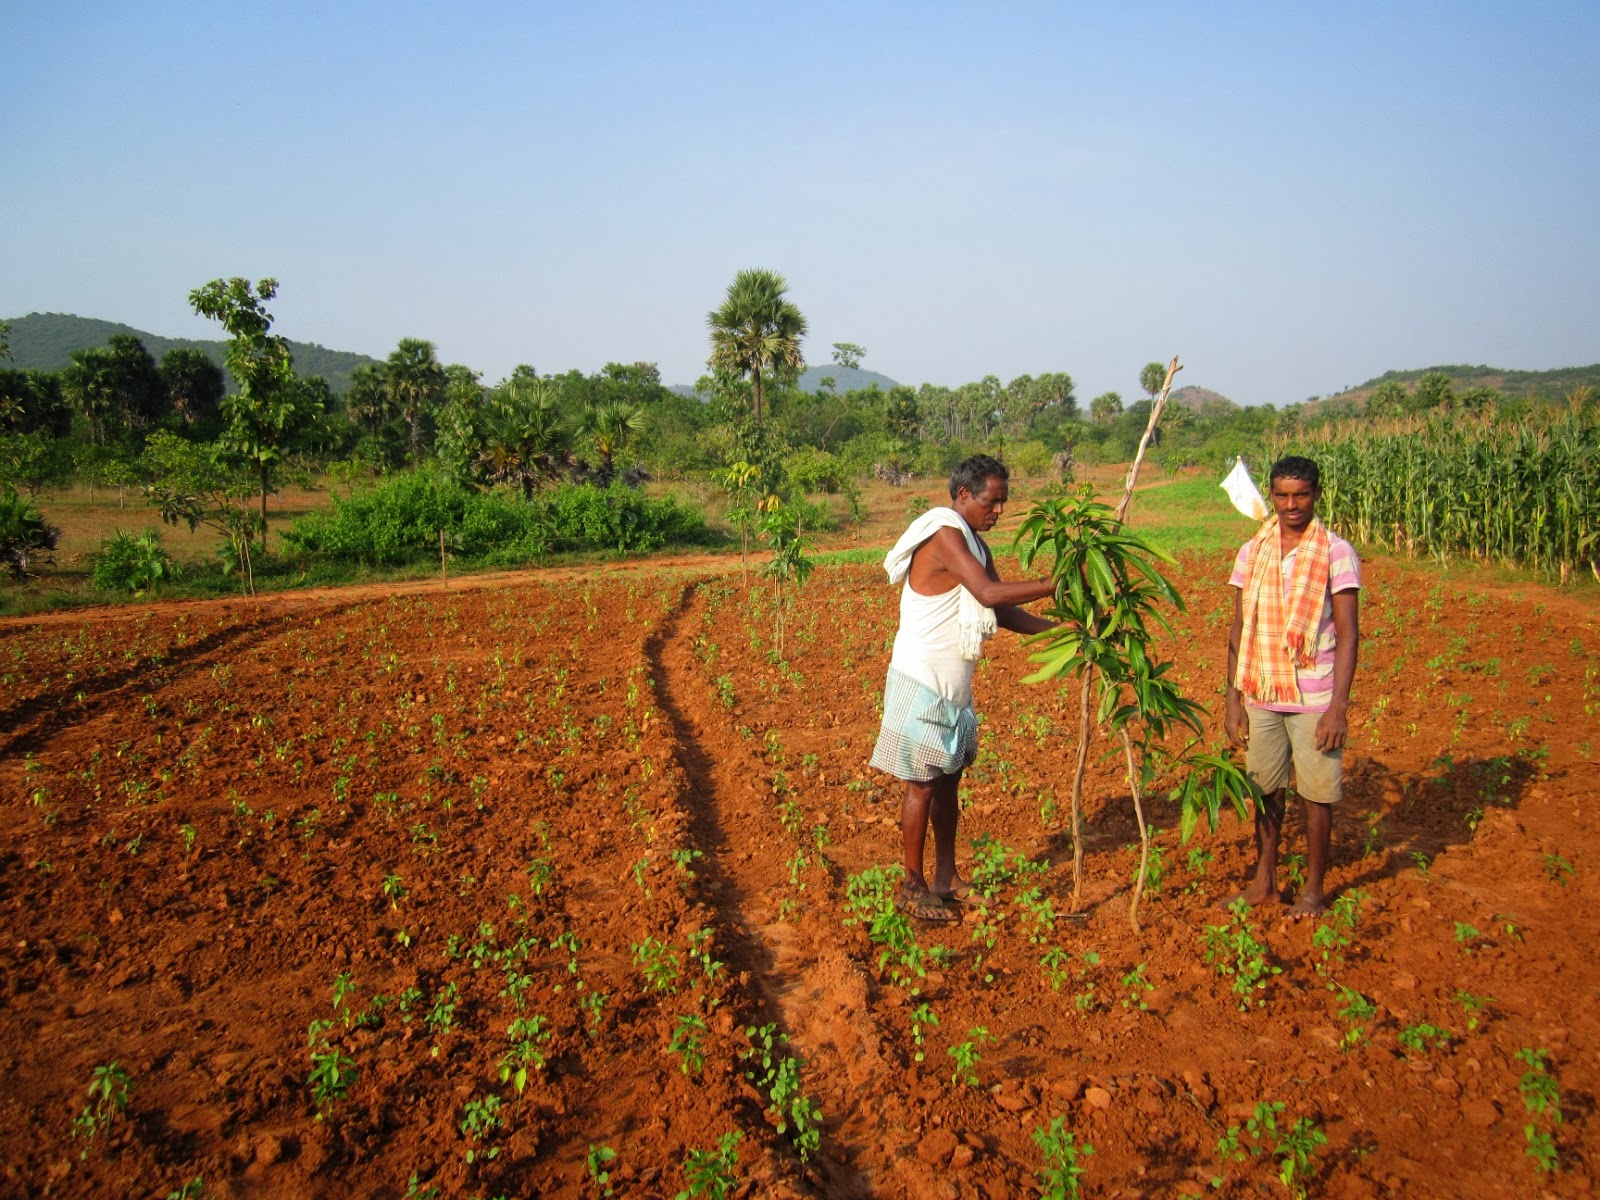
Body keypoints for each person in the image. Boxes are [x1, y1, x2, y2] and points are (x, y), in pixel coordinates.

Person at [870, 455, 1056, 922]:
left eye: (1003, 503)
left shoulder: (974, 543)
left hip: (951, 685)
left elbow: (999, 610)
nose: (999, 511)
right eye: (992, 502)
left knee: (947, 781)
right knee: (922, 785)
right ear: (964, 495)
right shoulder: (944, 535)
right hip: (921, 679)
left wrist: (1060, 631)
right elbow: (989, 594)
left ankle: (946, 877)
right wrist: (1052, 583)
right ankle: (911, 885)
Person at [1223, 455, 1361, 917]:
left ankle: (1313, 891)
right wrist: (1233, 701)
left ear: (1316, 494)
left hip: (1314, 695)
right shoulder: (1252, 551)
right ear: (1273, 495)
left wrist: (1338, 707)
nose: (1291, 505)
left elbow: (1348, 633)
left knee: (1316, 795)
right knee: (1266, 789)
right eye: (1282, 495)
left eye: (1301, 495)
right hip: (1262, 689)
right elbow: (1239, 627)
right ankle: (1265, 882)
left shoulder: (1335, 552)